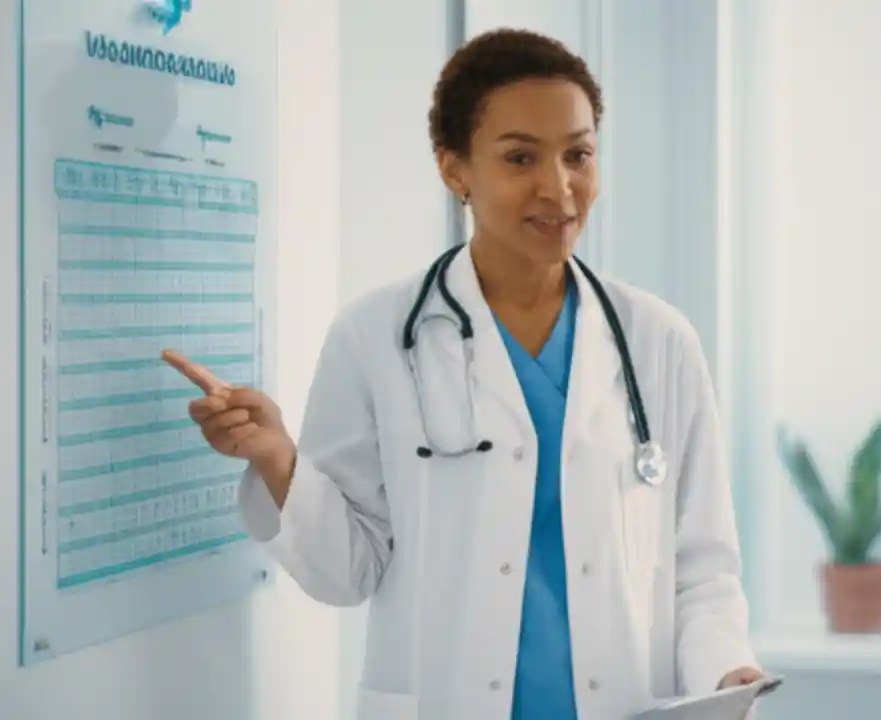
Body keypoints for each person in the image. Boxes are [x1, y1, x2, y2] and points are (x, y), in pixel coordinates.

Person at [163, 29, 762, 720]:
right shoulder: (375, 337)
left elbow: (704, 567)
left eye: (579, 154)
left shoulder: (659, 342)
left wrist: (726, 668)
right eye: (520, 157)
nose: (559, 187)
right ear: (455, 169)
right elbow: (346, 570)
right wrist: (276, 458)